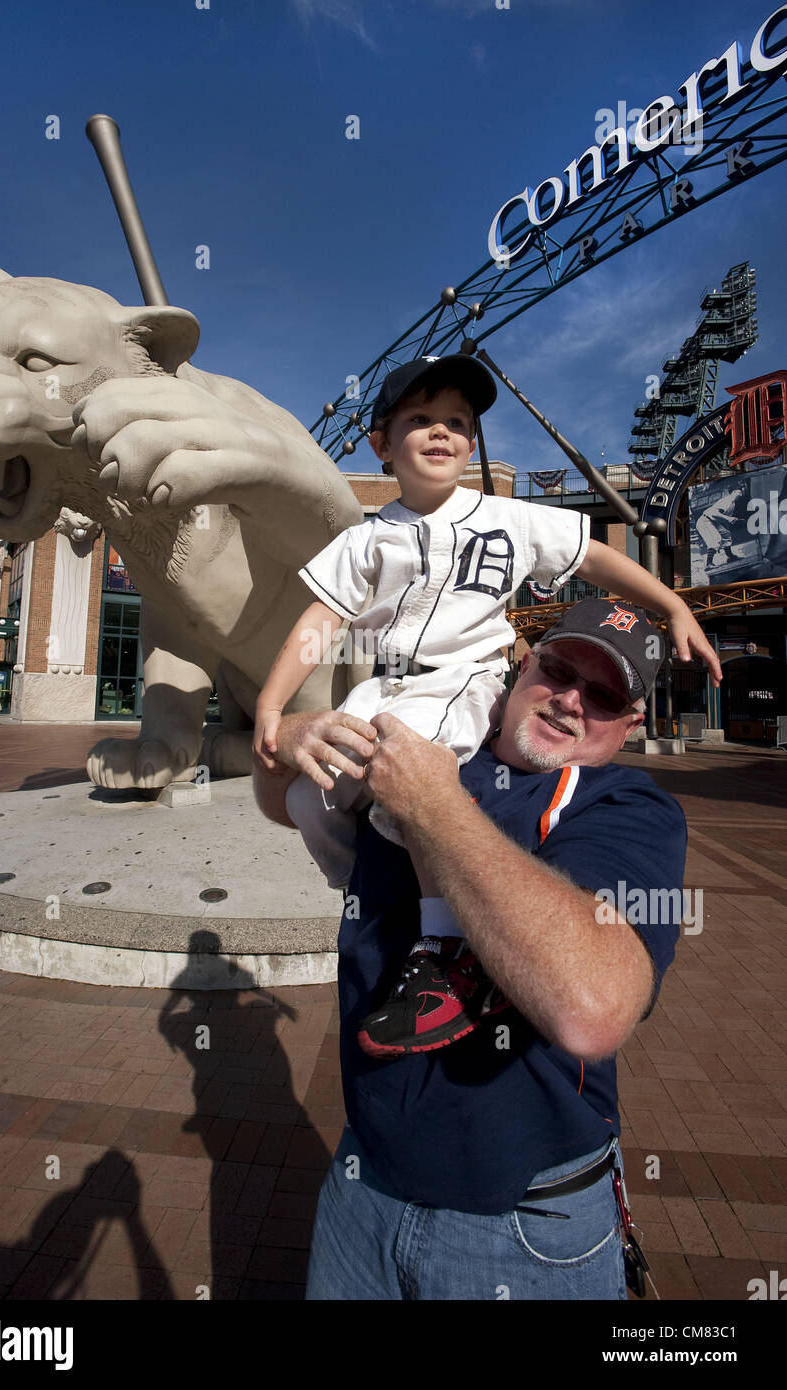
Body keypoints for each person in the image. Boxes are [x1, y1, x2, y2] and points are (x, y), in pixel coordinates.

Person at [254, 353, 720, 1057]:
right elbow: (320, 622)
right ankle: (353, 878)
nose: (441, 432)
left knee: (411, 781)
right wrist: (270, 708)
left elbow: (595, 559)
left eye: (456, 423)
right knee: (307, 800)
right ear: (380, 443)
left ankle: (439, 953)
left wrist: (671, 604)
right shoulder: (363, 539)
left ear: (471, 443)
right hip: (387, 682)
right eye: (419, 419)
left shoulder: (508, 517)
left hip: (464, 678)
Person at [253, 598, 689, 1300]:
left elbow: (593, 1009)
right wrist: (287, 739)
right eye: (557, 670)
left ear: (629, 725)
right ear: (523, 664)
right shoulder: (422, 737)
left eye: (604, 695)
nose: (571, 701)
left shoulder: (626, 808)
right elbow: (281, 803)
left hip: (524, 1223)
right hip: (362, 1184)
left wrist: (431, 803)